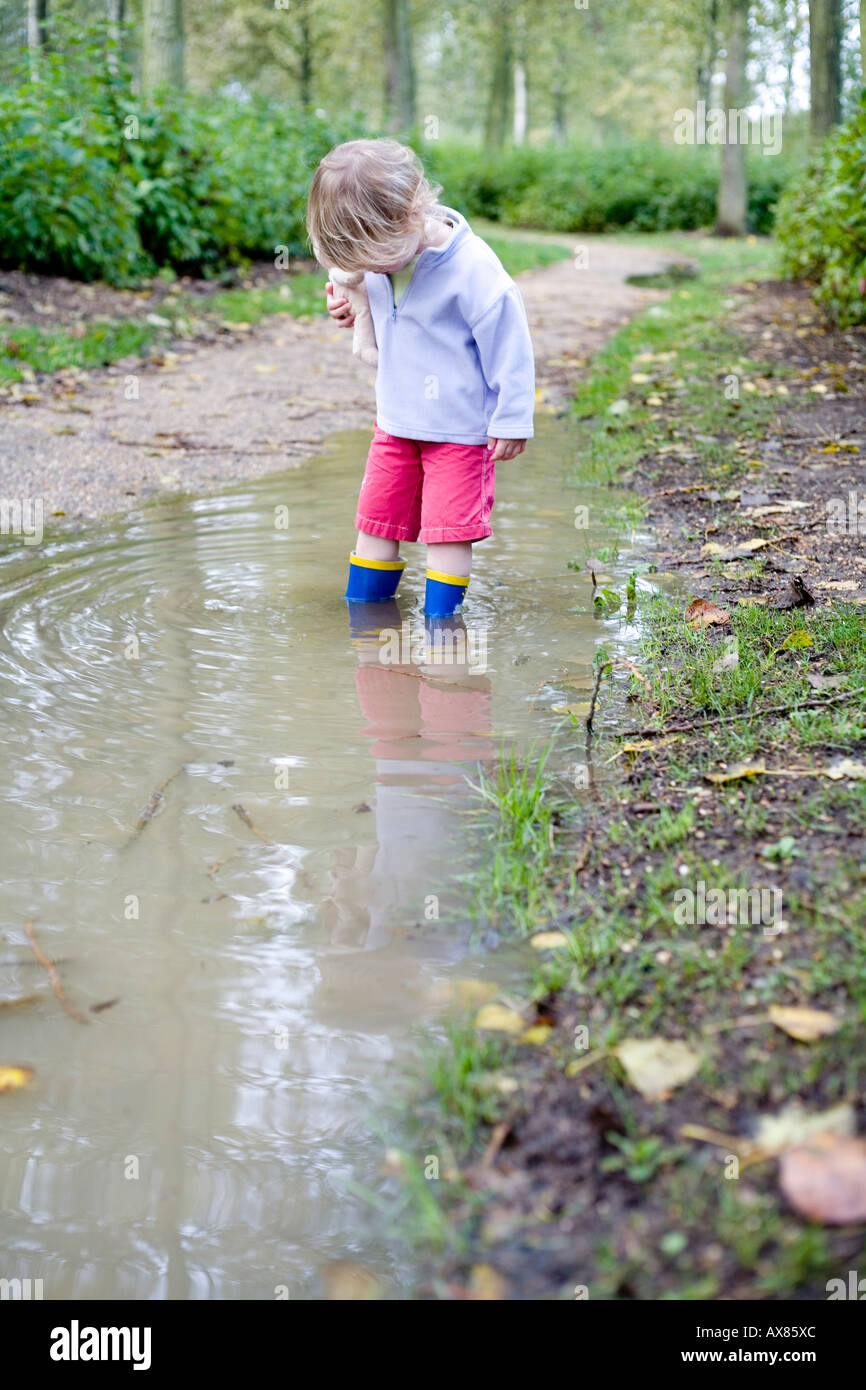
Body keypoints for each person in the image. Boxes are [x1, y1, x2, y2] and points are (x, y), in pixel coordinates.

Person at [306, 138, 535, 618]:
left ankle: (441, 625)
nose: (371, 268)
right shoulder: (378, 255)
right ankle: (365, 621)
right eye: (361, 261)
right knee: (376, 522)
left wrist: (512, 416)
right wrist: (346, 307)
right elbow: (365, 294)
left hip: (459, 431)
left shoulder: (472, 269)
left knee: (448, 532)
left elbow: (510, 344)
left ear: (414, 211)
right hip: (394, 423)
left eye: (378, 258)